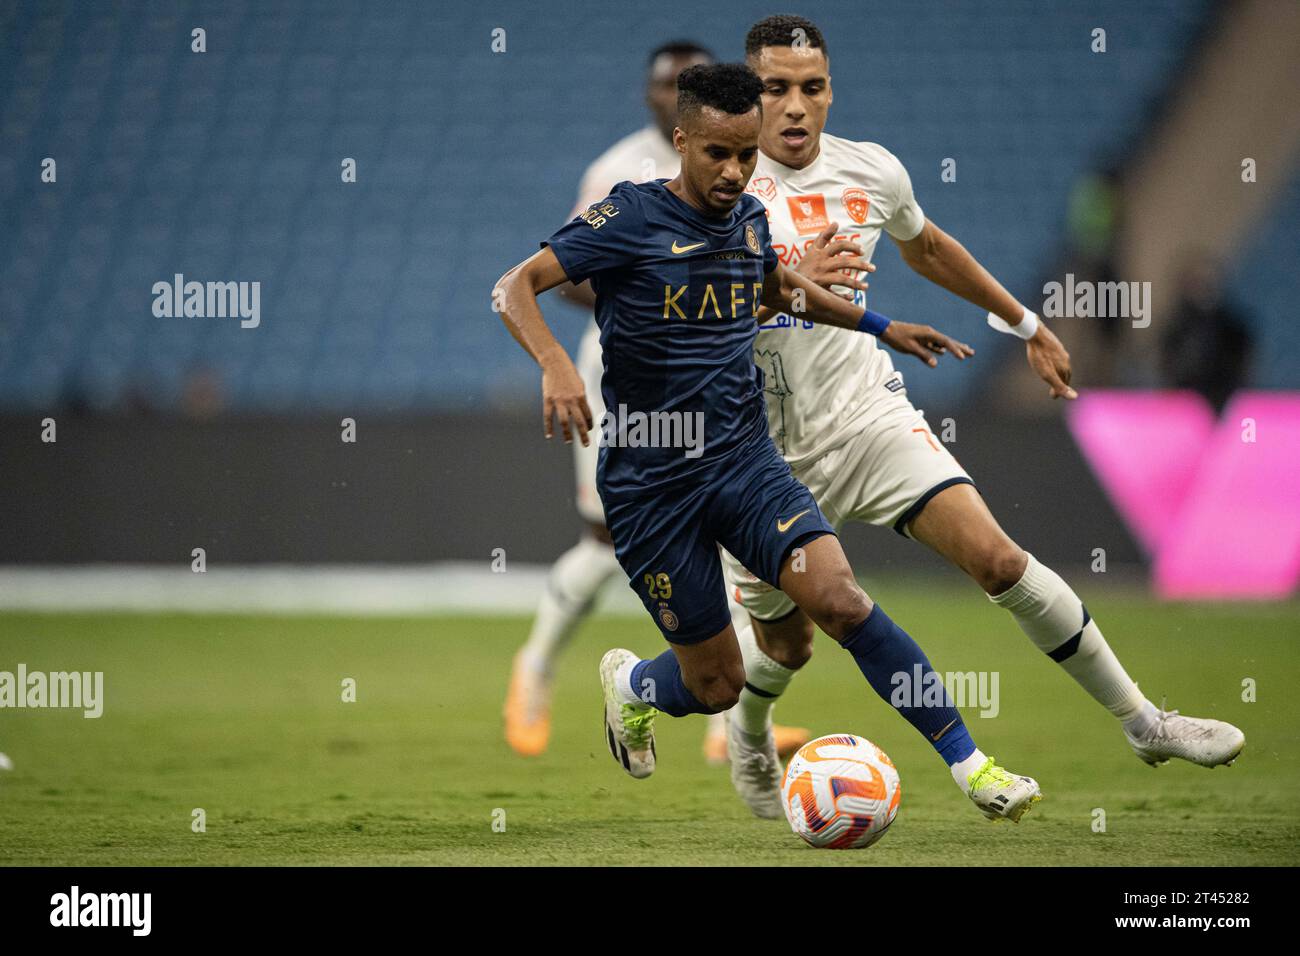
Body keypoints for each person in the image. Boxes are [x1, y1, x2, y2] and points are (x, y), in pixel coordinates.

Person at [714, 15, 1244, 817]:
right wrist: (786, 280)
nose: (794, 106)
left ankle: (1145, 722)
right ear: (747, 93)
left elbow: (925, 248)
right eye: (774, 88)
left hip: (865, 420)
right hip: (758, 459)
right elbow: (682, 317)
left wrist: (1027, 325)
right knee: (788, 645)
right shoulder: (712, 191)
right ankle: (751, 731)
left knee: (999, 560)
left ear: (831, 92)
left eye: (811, 87)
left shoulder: (872, 171)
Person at [495, 62, 1044, 823]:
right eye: (717, 153)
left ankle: (972, 766)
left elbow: (781, 292)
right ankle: (633, 687)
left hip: (745, 464)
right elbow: (514, 286)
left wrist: (884, 325)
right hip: (651, 487)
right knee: (715, 684)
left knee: (843, 603)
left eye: (746, 154)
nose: (733, 171)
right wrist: (556, 366)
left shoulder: (749, 220)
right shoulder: (629, 218)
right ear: (681, 142)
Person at [503, 40, 809, 764]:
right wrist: (644, 292)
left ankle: (718, 721)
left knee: (735, 533)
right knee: (602, 541)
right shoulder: (617, 174)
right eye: (664, 83)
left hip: (712, 387)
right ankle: (537, 668)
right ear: (658, 104)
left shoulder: (736, 169)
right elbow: (563, 273)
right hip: (624, 378)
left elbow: (752, 282)